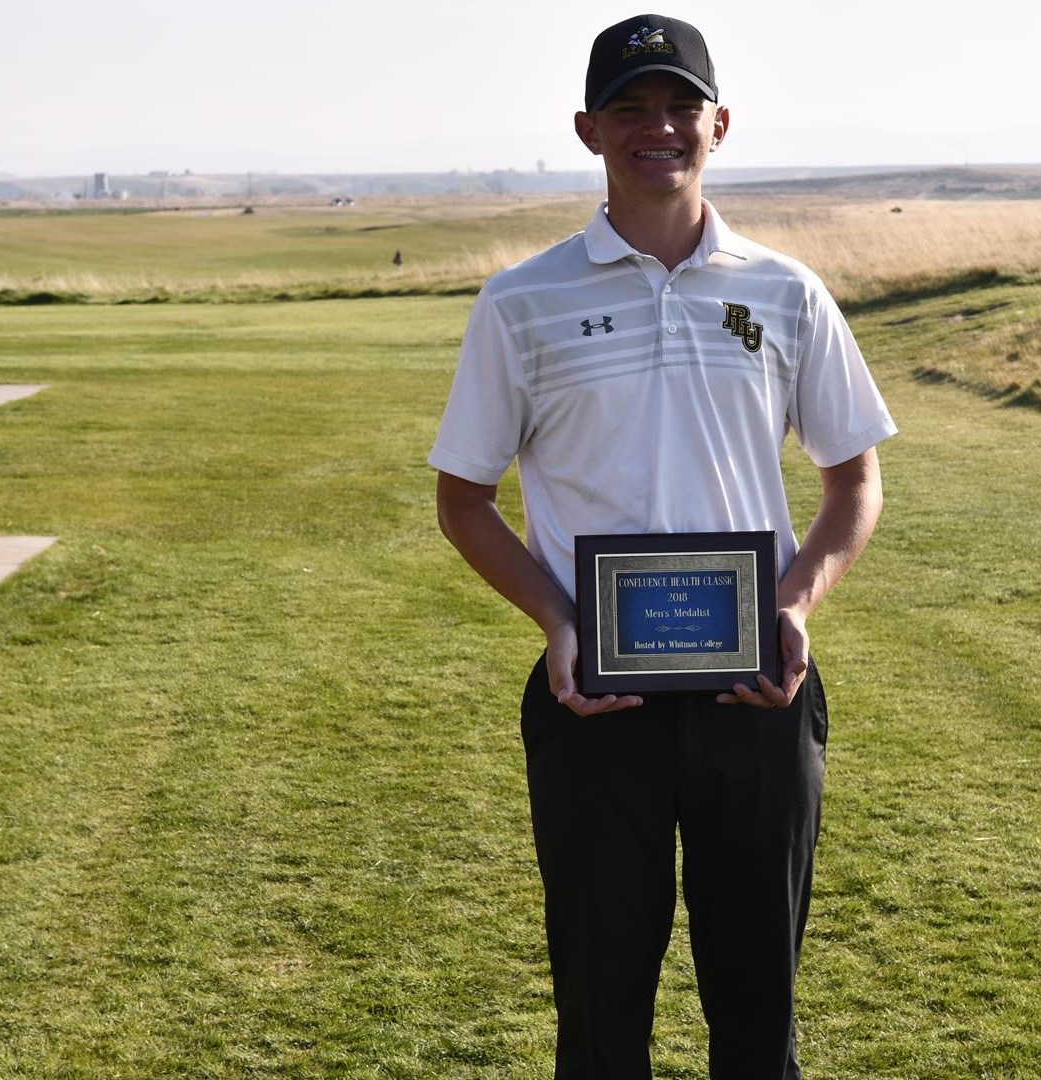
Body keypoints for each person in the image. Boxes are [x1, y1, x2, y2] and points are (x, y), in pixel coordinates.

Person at [428, 14, 896, 1078]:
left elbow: (855, 479)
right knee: (601, 1024)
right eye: (631, 108)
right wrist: (559, 622)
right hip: (596, 702)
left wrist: (795, 604)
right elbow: (463, 500)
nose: (660, 128)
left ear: (719, 125)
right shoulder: (521, 301)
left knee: (758, 1019)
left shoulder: (785, 290)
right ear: (587, 129)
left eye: (682, 106)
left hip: (759, 695)